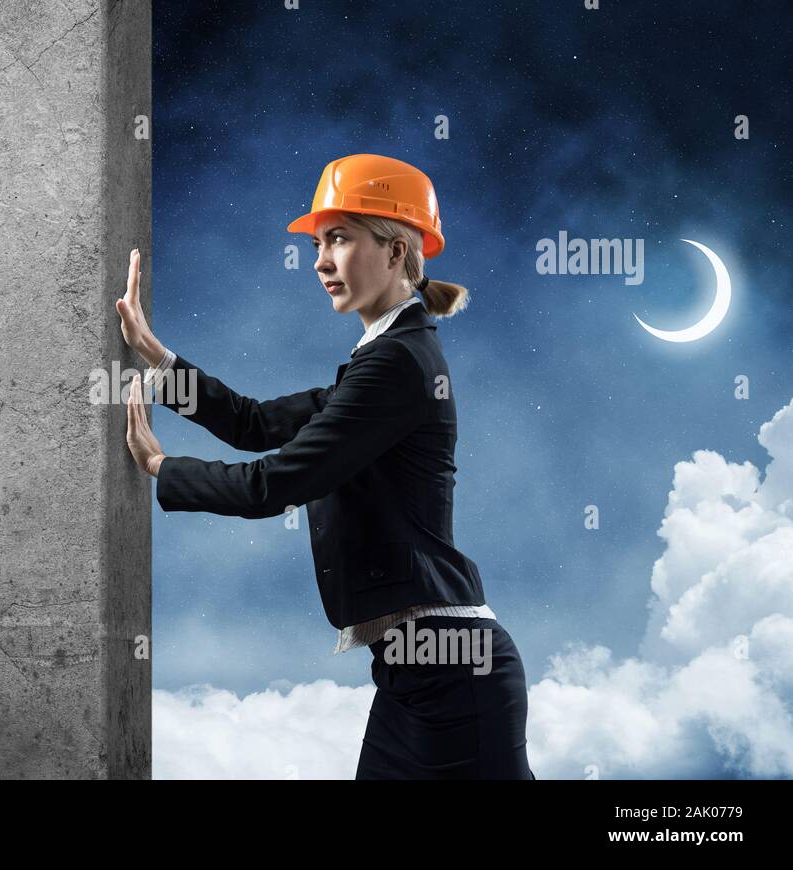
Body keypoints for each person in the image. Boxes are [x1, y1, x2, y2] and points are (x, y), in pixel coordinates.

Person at [117, 153, 535, 780]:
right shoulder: (380, 362)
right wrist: (157, 358)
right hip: (419, 674)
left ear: (397, 251)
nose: (318, 260)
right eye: (318, 242)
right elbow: (254, 423)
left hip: (453, 675)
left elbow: (276, 483)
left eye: (338, 238)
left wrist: (161, 467)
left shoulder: (397, 366)